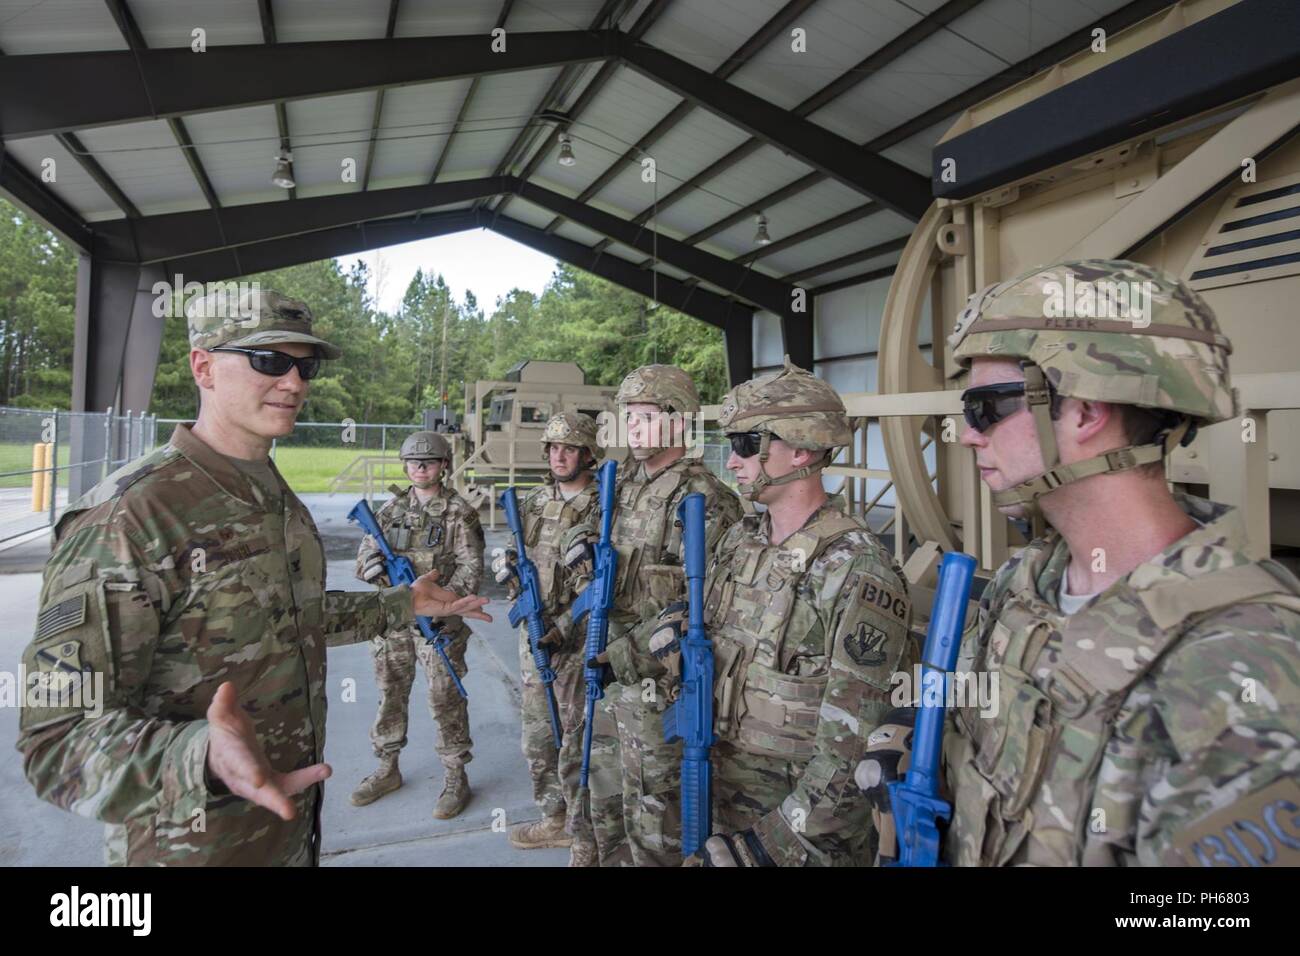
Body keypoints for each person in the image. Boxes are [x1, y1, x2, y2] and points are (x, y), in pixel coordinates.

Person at [16, 288, 488, 866]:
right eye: (268, 361)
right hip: (191, 849)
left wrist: (401, 604)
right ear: (203, 366)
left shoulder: (272, 495)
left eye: (304, 365)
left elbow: (290, 618)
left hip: (289, 834)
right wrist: (201, 756)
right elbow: (56, 740)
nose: (295, 383)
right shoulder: (131, 517)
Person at [862, 259, 1300, 866]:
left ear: (1086, 411)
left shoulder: (1243, 660)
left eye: (984, 407)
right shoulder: (1028, 581)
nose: (966, 434)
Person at [677, 360, 915, 866]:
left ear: (802, 449)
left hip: (800, 834)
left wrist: (773, 845)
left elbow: (853, 743)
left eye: (746, 445)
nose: (733, 461)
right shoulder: (742, 540)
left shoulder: (856, 567)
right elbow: (707, 625)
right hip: (723, 793)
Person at [563, 365, 742, 866]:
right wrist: (575, 542)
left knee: (654, 821)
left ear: (680, 421)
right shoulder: (619, 486)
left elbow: (705, 609)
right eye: (628, 419)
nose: (633, 429)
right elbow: (576, 531)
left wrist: (621, 654)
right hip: (605, 674)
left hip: (654, 690)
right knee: (603, 799)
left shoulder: (706, 501)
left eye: (644, 418)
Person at [352, 431, 484, 819]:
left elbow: (471, 570)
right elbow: (364, 558)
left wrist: (438, 603)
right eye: (413, 462)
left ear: (443, 466)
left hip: (438, 625)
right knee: (390, 693)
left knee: (445, 697)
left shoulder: (460, 513)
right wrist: (373, 569)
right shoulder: (390, 511)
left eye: (428, 462)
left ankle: (455, 774)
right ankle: (387, 767)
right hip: (394, 623)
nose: (420, 468)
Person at [491, 411, 603, 865]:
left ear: (587, 454)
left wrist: (567, 624)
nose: (559, 456)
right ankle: (553, 817)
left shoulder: (604, 504)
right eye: (554, 448)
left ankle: (583, 832)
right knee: (538, 738)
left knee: (578, 738)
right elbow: (522, 554)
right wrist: (509, 569)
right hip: (533, 636)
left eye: (569, 448)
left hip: (578, 639)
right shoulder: (535, 502)